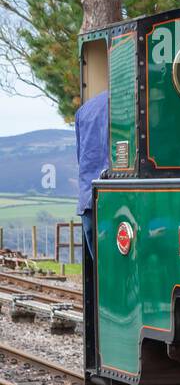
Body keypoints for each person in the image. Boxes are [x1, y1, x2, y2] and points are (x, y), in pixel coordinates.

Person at [74, 91, 109, 262]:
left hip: (88, 197)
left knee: (101, 270)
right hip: (120, 198)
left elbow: (80, 156)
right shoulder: (130, 102)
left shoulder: (85, 110)